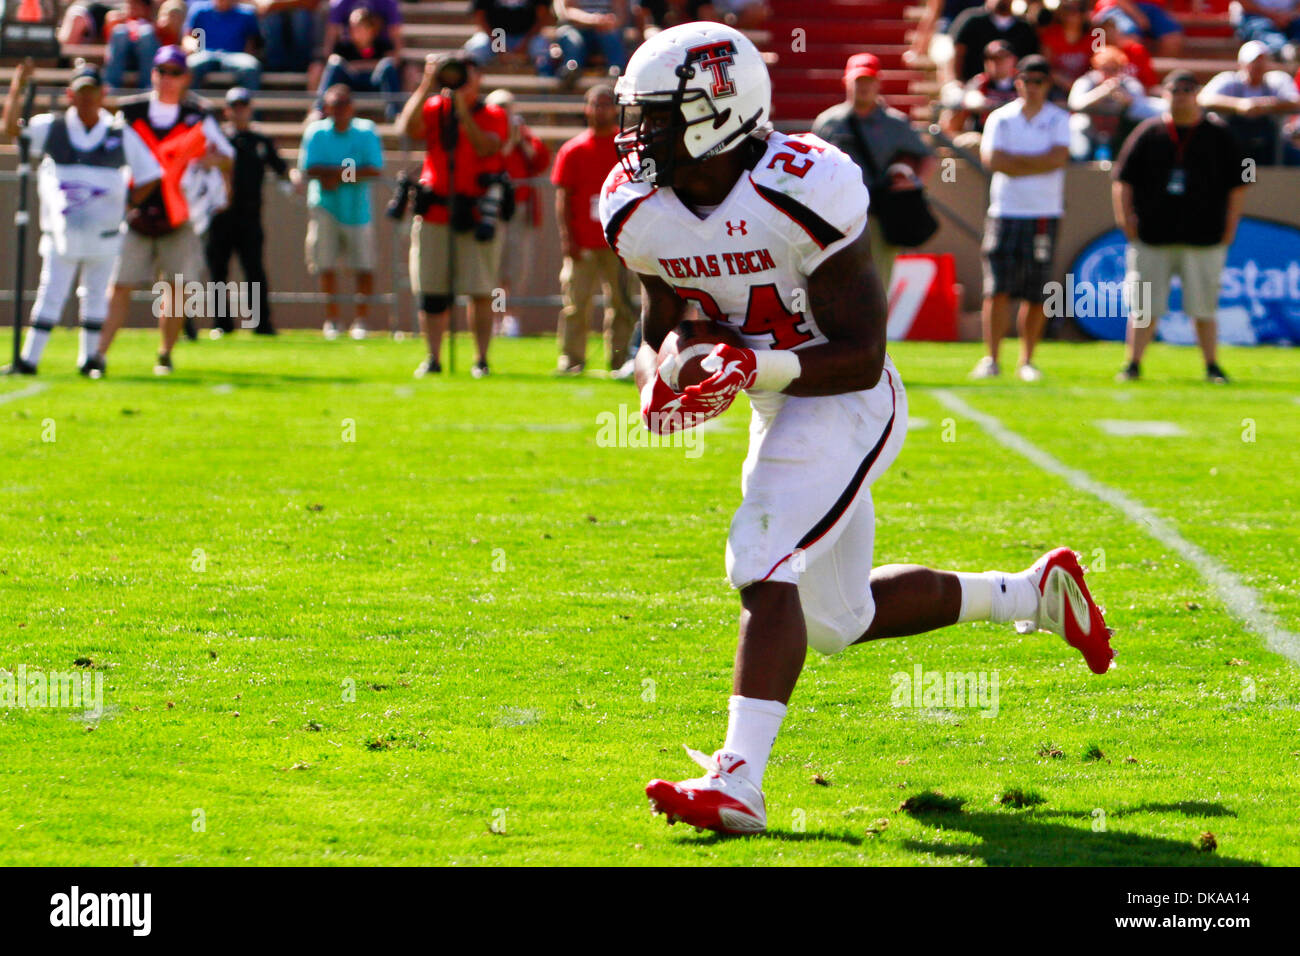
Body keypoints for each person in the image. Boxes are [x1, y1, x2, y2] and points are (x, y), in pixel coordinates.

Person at [601, 23, 1113, 836]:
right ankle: (1031, 594)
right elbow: (662, 317)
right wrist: (661, 372)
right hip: (780, 399)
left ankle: (739, 781)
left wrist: (747, 367)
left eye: (659, 116)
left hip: (848, 394)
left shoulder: (803, 185)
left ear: (718, 112)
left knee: (761, 556)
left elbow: (864, 356)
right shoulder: (637, 207)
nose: (640, 136)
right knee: (835, 620)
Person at [0, 61, 161, 377]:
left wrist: (128, 202)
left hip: (104, 234)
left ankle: (90, 359)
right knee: (51, 293)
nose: (87, 100)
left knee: (95, 295)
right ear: (70, 95)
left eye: (92, 93)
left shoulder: (118, 132)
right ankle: (30, 358)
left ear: (102, 94)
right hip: (62, 233)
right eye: (81, 93)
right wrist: (17, 87)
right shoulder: (54, 127)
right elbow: (11, 130)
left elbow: (151, 173)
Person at [97, 46, 235, 376]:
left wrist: (211, 163)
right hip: (137, 213)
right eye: (163, 71)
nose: (168, 79)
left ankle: (165, 353)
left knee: (176, 288)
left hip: (180, 215)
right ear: (153, 74)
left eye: (176, 72)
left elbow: (226, 156)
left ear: (186, 77)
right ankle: (97, 355)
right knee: (119, 285)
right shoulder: (131, 112)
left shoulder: (197, 115)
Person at [1114, 70, 1249, 384]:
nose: (1182, 95)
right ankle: (1132, 364)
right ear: (1165, 92)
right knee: (1144, 306)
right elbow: (1122, 180)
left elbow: (1240, 184)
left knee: (1204, 307)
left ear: (1198, 93)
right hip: (1153, 235)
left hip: (1203, 236)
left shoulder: (1220, 133)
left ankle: (1212, 366)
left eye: (1188, 89)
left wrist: (1231, 225)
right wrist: (1125, 219)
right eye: (1176, 89)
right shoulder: (1149, 132)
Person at [398, 53, 507, 378]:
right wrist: (426, 85)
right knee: (432, 290)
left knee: (479, 289)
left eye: (465, 75)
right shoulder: (434, 108)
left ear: (478, 79)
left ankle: (481, 359)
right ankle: (433, 358)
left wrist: (462, 110)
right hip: (435, 211)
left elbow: (486, 146)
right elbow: (406, 128)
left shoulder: (493, 113)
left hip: (475, 211)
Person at [973, 55, 1070, 381]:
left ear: (1047, 84)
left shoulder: (1058, 118)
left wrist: (1017, 164)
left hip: (1043, 212)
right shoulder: (1001, 118)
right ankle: (991, 358)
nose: (1032, 88)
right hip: (1005, 211)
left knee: (1036, 289)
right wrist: (1036, 163)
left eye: (1038, 82)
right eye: (1027, 81)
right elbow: (993, 160)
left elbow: (1058, 158)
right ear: (1018, 83)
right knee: (997, 287)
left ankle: (1026, 360)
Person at [812, 52, 935, 292]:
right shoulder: (828, 122)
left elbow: (927, 156)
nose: (864, 88)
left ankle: (876, 330)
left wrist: (916, 182)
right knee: (838, 280)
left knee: (878, 281)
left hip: (879, 213)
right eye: (859, 82)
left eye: (869, 81)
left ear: (878, 83)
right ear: (846, 82)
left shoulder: (895, 123)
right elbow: (813, 164)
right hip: (838, 213)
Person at [551, 84, 635, 374]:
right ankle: (572, 358)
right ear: (586, 109)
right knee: (575, 303)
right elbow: (563, 196)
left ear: (614, 108)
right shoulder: (572, 150)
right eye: (594, 104)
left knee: (622, 304)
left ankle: (620, 359)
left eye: (604, 104)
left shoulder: (626, 148)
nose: (599, 110)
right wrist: (567, 238)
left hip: (619, 242)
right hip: (583, 241)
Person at [299, 84, 385, 340]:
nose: (339, 111)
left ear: (352, 107)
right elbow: (309, 168)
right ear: (326, 108)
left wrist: (337, 175)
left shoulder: (366, 131)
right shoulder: (315, 132)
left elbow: (374, 168)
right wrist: (343, 174)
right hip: (324, 208)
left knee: (364, 266)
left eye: (344, 105)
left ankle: (362, 320)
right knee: (325, 265)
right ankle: (333, 320)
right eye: (334, 106)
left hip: (358, 211)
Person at [205, 87, 292, 336]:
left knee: (254, 269)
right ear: (227, 111)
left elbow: (280, 168)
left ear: (250, 109)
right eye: (235, 106)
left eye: (243, 106)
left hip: (250, 213)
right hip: (220, 214)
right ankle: (222, 324)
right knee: (218, 270)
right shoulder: (218, 140)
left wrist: (293, 181)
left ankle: (261, 323)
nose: (239, 111)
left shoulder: (260, 141)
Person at [487, 89, 551, 338]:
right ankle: (495, 316)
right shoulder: (489, 133)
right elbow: (492, 160)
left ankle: (511, 317)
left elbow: (540, 161)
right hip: (494, 208)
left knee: (515, 269)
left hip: (520, 209)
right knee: (494, 269)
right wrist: (507, 141)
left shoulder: (523, 134)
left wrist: (520, 139)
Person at [1199, 41, 1300, 166]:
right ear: (1241, 64)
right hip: (1232, 147)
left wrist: (1268, 105)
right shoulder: (1228, 80)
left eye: (1262, 60)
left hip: (1271, 148)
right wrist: (1239, 105)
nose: (1258, 65)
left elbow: (1296, 102)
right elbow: (1203, 98)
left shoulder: (1278, 80)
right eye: (1253, 61)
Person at [1067, 45, 1160, 161]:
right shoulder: (1086, 81)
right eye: (1105, 69)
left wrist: (1123, 97)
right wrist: (1102, 91)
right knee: (1077, 127)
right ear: (1096, 67)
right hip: (1090, 130)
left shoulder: (1128, 84)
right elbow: (1075, 104)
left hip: (1119, 133)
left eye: (1114, 69)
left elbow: (1141, 108)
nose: (1109, 73)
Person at [314, 4, 403, 121]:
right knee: (334, 64)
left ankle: (395, 114)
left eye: (360, 27)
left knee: (387, 65)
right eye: (352, 28)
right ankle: (319, 110)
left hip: (374, 84)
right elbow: (335, 62)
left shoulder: (382, 45)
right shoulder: (343, 47)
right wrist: (370, 65)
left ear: (371, 29)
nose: (355, 32)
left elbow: (392, 62)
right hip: (349, 85)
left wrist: (355, 66)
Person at [940, 39, 1019, 144]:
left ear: (1013, 60)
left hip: (1016, 137)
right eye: (991, 58)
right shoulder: (979, 83)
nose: (996, 63)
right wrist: (971, 102)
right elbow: (959, 113)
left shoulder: (1023, 82)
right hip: (984, 138)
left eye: (1002, 58)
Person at [950, 0, 1040, 83]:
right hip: (973, 89)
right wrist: (958, 81)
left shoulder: (1024, 29)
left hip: (1013, 92)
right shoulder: (972, 21)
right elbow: (958, 53)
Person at [183, 0, 264, 91]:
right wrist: (191, 47)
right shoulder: (199, 10)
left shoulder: (247, 13)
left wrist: (249, 55)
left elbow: (252, 42)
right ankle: (188, 103)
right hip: (206, 54)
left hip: (235, 56)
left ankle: (246, 102)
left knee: (251, 67)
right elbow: (189, 37)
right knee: (190, 65)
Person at [464, 0, 553, 76]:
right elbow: (480, 16)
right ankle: (469, 86)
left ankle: (546, 85)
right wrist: (499, 44)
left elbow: (543, 16)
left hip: (528, 36)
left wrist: (525, 43)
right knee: (475, 49)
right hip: (493, 36)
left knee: (542, 49)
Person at [553, 0, 629, 85]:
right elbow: (567, 11)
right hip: (576, 28)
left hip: (604, 30)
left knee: (612, 37)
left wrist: (609, 21)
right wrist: (593, 20)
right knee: (572, 39)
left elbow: (620, 15)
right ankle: (571, 69)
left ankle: (617, 70)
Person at [1090, 0, 1185, 58]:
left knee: (1172, 38)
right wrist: (1138, 16)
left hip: (1151, 8)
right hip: (1115, 7)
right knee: (1129, 36)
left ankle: (1150, 73)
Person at [103, 0, 160, 92]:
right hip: (123, 60)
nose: (133, 8)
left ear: (146, 8)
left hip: (146, 60)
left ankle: (149, 87)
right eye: (131, 5)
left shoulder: (154, 25)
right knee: (119, 32)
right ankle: (111, 87)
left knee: (146, 33)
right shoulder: (119, 23)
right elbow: (109, 23)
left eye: (137, 5)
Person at [1233, 0, 1300, 63]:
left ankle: (1288, 51)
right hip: (1255, 17)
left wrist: (1289, 15)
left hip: (1290, 18)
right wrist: (1272, 15)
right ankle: (1280, 51)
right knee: (1265, 32)